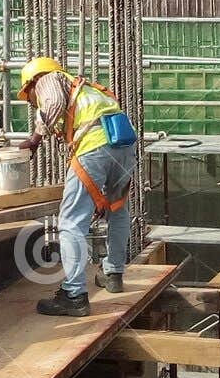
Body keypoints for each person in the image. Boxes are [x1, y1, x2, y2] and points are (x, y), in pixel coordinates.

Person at [17, 57, 138, 317]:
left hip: (94, 145)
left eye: (29, 96)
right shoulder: (87, 88)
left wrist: (35, 139)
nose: (32, 101)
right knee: (117, 210)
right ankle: (113, 274)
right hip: (123, 144)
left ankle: (74, 295)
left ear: (32, 81)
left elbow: (52, 102)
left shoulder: (49, 79)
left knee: (71, 221)